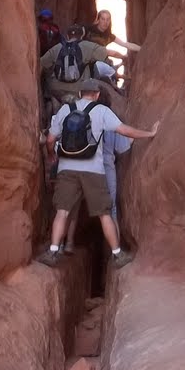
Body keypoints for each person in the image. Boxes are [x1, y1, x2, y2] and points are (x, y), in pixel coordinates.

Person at [41, 79, 159, 268]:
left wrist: (51, 155)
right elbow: (124, 130)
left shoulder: (65, 110)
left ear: (80, 94)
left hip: (67, 169)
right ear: (96, 95)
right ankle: (117, 254)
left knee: (62, 211)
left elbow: (50, 139)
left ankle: (53, 251)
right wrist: (149, 134)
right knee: (104, 213)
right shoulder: (102, 111)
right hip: (93, 170)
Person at [39, 24, 116, 109]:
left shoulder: (56, 48)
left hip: (57, 89)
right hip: (78, 89)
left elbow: (41, 64)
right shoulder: (87, 46)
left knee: (49, 85)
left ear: (67, 36)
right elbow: (110, 53)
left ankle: (52, 104)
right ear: (82, 35)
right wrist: (124, 57)